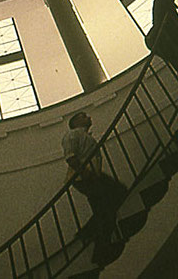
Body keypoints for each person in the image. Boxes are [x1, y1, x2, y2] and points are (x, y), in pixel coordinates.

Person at [62, 111, 126, 265]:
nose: (89, 117)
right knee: (107, 208)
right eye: (83, 116)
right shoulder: (72, 135)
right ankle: (99, 250)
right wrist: (86, 174)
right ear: (76, 122)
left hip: (91, 175)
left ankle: (88, 234)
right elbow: (70, 157)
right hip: (84, 177)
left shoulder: (85, 135)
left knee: (112, 200)